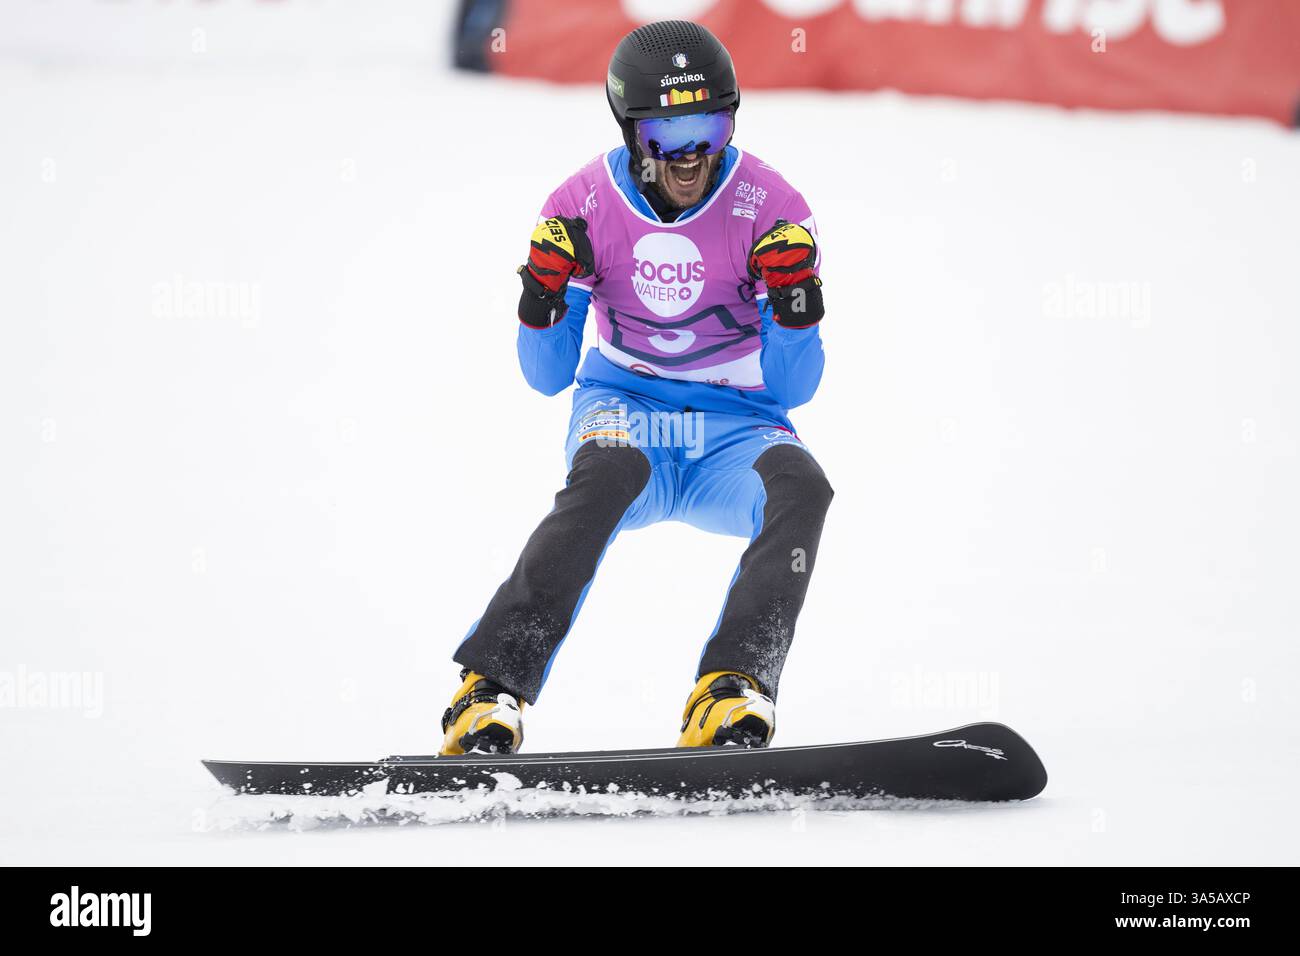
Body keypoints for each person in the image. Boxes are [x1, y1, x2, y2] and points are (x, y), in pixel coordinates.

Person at [440, 20, 832, 755]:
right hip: (630, 408)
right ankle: (489, 689)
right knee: (607, 471)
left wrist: (796, 306)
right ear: (630, 130)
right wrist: (543, 297)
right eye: (667, 133)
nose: (690, 155)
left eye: (709, 126)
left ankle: (733, 686)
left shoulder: (772, 207)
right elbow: (547, 376)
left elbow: (793, 387)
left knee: (802, 488)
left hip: (736, 426)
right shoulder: (581, 205)